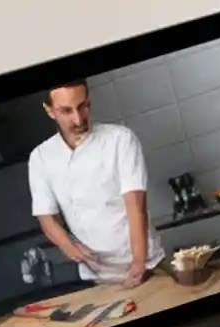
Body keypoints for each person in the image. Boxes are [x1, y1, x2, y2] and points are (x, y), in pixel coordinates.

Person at [28, 79, 165, 287]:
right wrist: (70, 247)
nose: (78, 118)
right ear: (49, 111)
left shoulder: (120, 139)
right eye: (66, 111)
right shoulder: (40, 157)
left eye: (83, 106)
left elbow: (136, 206)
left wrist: (138, 265)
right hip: (96, 276)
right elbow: (46, 218)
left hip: (146, 266)